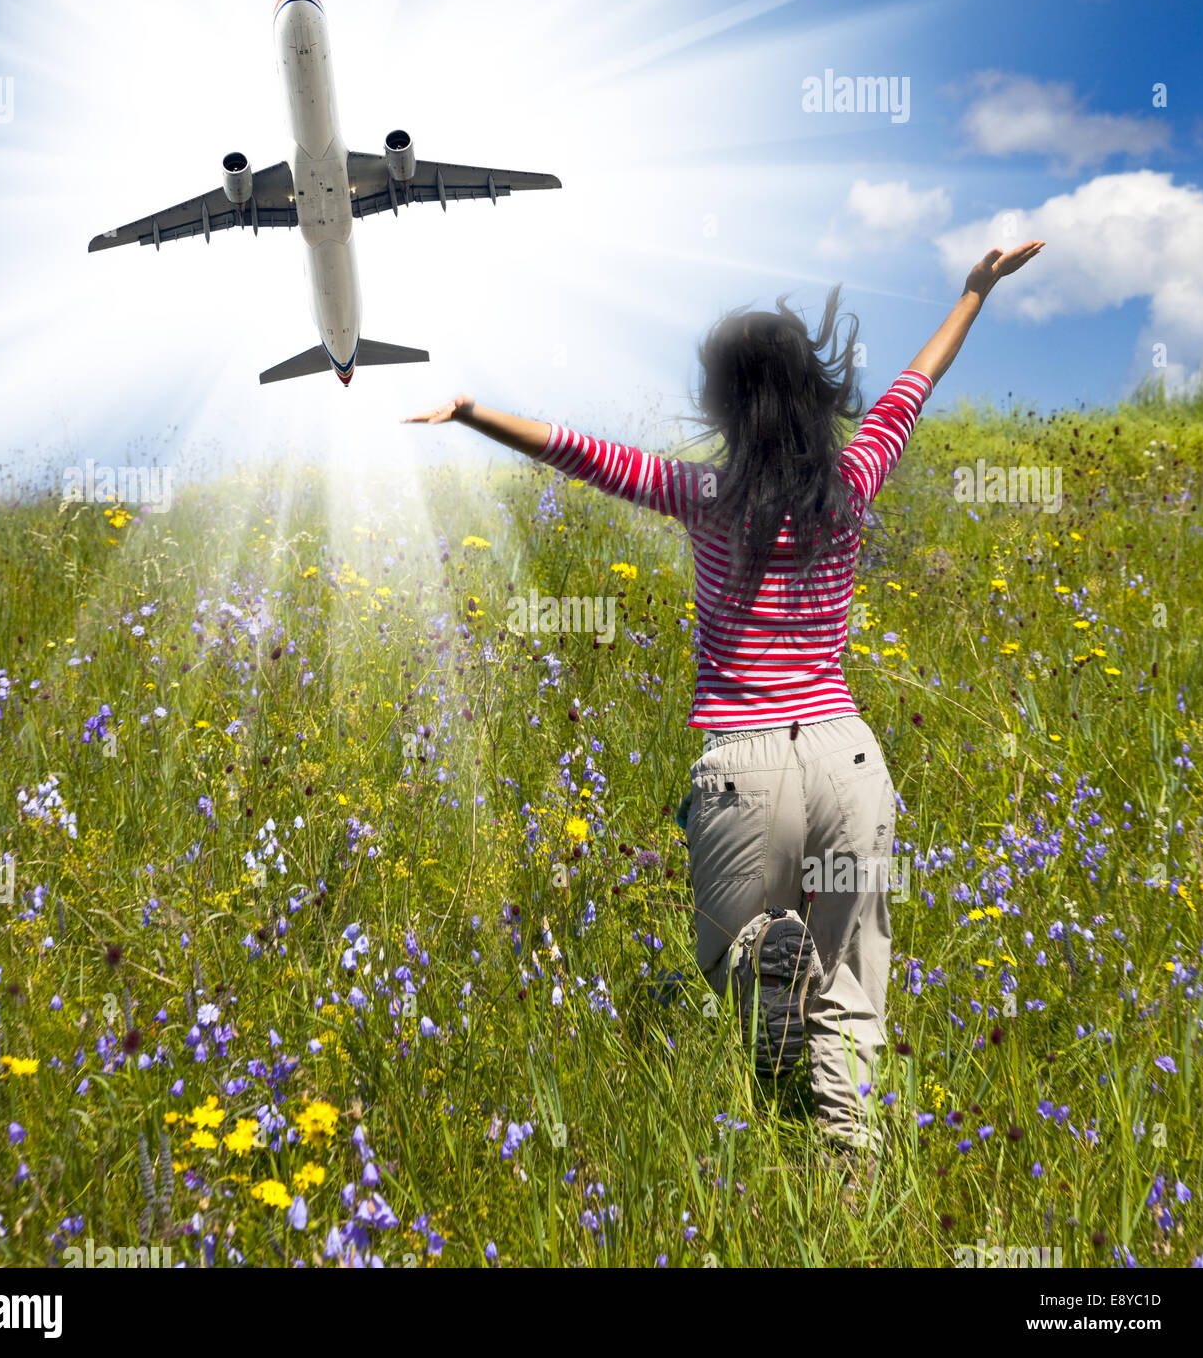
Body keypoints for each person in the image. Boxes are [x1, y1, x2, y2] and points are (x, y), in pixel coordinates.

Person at [405, 239, 1045, 1159]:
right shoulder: (853, 481)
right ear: (809, 391)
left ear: (722, 403)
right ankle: (851, 1164)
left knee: (731, 955)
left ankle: (755, 966)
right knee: (855, 979)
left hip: (744, 772)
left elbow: (581, 454)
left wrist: (469, 412)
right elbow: (916, 382)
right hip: (846, 756)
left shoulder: (701, 493)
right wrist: (976, 290)